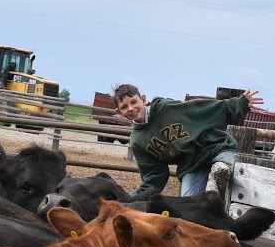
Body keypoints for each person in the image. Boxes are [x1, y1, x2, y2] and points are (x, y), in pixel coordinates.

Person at [112, 83, 264, 199]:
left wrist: (239, 104)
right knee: (189, 206)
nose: (131, 108)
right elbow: (154, 176)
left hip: (215, 148)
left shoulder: (167, 108)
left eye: (133, 102)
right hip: (191, 166)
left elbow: (201, 110)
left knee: (245, 176)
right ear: (119, 112)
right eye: (124, 107)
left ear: (143, 99)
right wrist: (129, 200)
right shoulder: (138, 141)